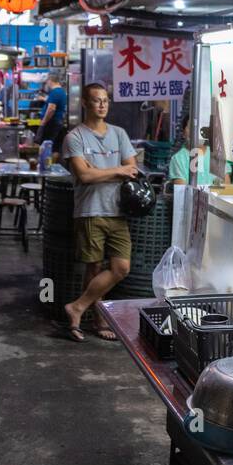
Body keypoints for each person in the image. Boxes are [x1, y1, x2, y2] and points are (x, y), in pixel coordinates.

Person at [61, 83, 140, 342]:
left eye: (106, 100)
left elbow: (132, 168)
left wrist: (101, 172)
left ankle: (78, 307)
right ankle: (98, 321)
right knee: (93, 268)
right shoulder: (75, 137)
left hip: (117, 210)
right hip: (90, 210)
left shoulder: (119, 134)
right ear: (85, 103)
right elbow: (83, 175)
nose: (102, 105)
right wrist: (115, 170)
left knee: (121, 267)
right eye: (97, 100)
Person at [169, 118, 227, 187]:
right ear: (183, 133)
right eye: (191, 127)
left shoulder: (218, 155)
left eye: (200, 127)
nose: (195, 132)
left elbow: (226, 186)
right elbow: (182, 191)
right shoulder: (178, 159)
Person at [38, 73, 68, 148]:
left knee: (47, 145)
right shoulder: (61, 91)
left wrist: (43, 122)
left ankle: (46, 159)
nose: (47, 84)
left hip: (52, 123)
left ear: (50, 81)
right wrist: (45, 99)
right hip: (57, 122)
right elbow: (53, 103)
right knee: (55, 147)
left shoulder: (55, 92)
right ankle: (52, 159)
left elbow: (51, 109)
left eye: (47, 81)